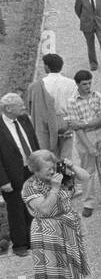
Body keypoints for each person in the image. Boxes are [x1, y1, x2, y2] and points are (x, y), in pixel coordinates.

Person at [22, 150, 92, 279]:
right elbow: (44, 209)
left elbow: (86, 177)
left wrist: (71, 166)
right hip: (46, 229)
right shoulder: (30, 186)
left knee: (70, 266)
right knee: (46, 273)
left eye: (53, 167)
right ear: (35, 171)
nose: (52, 172)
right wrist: (54, 188)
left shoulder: (61, 174)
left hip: (67, 225)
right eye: (47, 169)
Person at [63, 70, 101, 216]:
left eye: (89, 83)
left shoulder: (97, 96)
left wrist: (82, 124)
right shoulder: (72, 102)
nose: (88, 86)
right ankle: (88, 203)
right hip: (84, 137)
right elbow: (76, 129)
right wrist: (89, 146)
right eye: (85, 84)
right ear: (77, 84)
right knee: (87, 170)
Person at [0, 94, 39, 259]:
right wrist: (3, 180)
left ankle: (34, 240)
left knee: (33, 204)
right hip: (11, 175)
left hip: (30, 169)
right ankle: (20, 244)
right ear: (8, 108)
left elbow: (34, 142)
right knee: (16, 209)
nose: (23, 107)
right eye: (20, 105)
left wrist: (40, 164)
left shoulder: (24, 119)